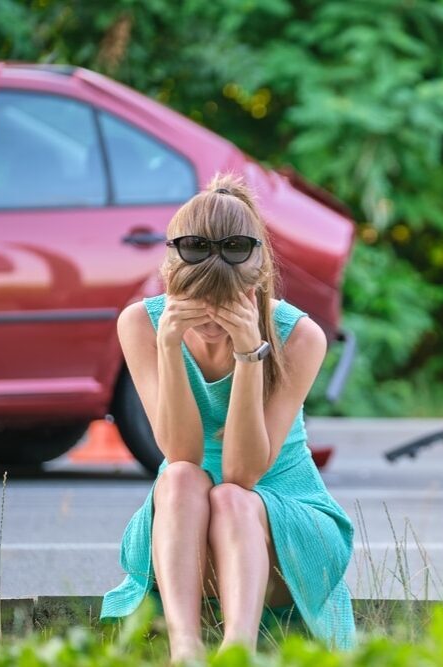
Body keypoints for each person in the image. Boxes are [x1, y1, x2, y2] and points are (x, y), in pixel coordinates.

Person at [98, 173, 356, 661]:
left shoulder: (299, 336)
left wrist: (248, 354)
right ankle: (187, 652)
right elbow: (181, 453)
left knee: (234, 500)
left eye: (226, 304)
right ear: (172, 281)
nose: (210, 320)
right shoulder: (141, 323)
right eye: (197, 303)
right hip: (183, 530)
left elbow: (242, 473)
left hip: (282, 529)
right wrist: (170, 346)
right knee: (177, 480)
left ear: (256, 284)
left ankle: (236, 653)